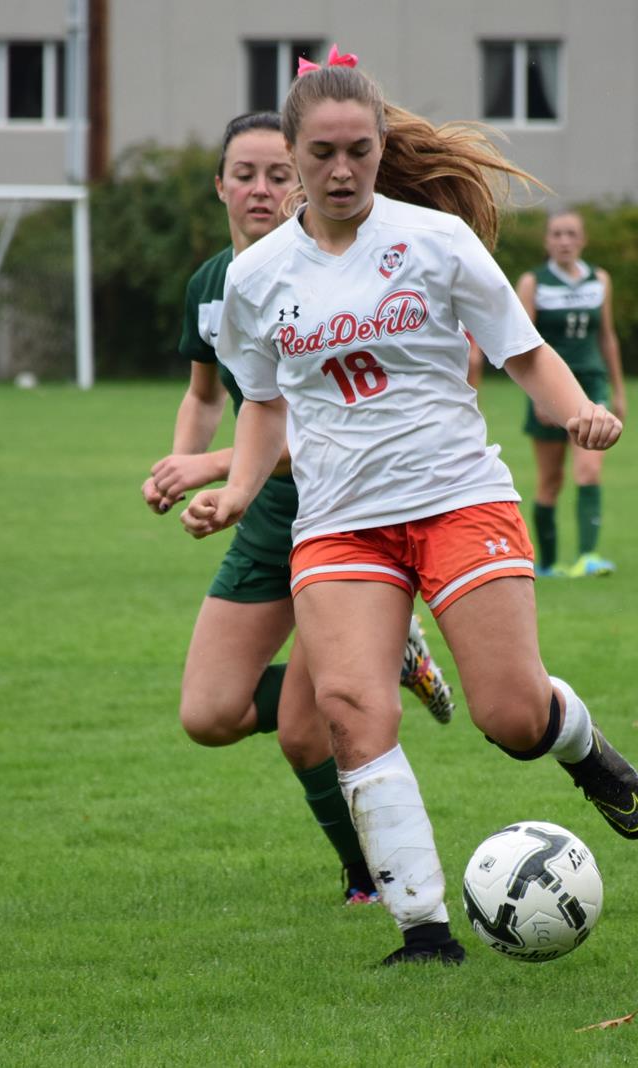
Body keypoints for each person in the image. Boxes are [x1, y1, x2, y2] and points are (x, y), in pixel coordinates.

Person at [181, 46, 638, 966]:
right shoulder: (257, 277)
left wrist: (581, 412)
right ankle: (425, 932)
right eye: (321, 154)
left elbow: (523, 353)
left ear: (382, 142)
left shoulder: (434, 240)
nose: (342, 169)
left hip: (455, 498)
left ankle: (582, 746)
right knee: (354, 710)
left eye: (359, 149)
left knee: (511, 718)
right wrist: (236, 490)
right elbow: (264, 404)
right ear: (296, 153)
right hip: (339, 521)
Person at [142, 111, 455, 908]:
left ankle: (373, 879)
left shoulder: (333, 274)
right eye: (243, 175)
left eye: (277, 174)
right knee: (209, 713)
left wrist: (215, 468)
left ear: (303, 176)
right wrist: (183, 465)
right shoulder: (216, 284)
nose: (261, 189)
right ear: (219, 186)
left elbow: (305, 424)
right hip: (262, 516)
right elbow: (205, 392)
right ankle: (390, 663)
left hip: (338, 506)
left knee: (304, 731)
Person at [514, 210, 626, 578]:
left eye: (571, 234)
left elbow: (607, 337)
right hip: (550, 387)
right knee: (550, 481)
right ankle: (546, 564)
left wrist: (618, 390)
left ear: (583, 240)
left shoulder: (600, 280)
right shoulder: (534, 283)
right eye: (557, 234)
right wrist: (537, 396)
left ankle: (587, 556)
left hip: (591, 385)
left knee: (589, 468)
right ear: (547, 241)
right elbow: (521, 343)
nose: (564, 241)